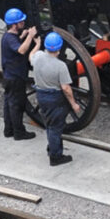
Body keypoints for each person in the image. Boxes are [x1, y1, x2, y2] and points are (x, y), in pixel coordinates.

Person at [31, 31, 81, 166]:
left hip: (41, 95)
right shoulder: (60, 66)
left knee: (49, 124)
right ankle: (55, 157)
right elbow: (66, 88)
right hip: (55, 98)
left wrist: (37, 45)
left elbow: (31, 56)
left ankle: (52, 147)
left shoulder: (38, 56)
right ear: (59, 49)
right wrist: (74, 104)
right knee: (55, 128)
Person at [0, 8, 39, 140]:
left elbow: (16, 42)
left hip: (9, 76)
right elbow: (21, 50)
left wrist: (24, 36)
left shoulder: (8, 37)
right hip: (16, 77)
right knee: (17, 105)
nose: (23, 23)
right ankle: (19, 132)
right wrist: (30, 36)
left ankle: (8, 130)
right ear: (14, 25)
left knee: (8, 103)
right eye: (21, 22)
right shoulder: (10, 39)